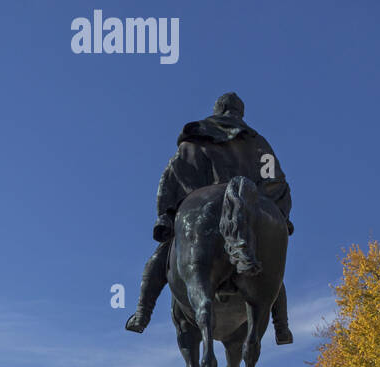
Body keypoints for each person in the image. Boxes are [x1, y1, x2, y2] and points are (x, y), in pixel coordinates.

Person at [125, 92, 294, 343]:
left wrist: (166, 217)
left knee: (161, 256)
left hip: (199, 217)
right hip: (251, 208)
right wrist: (279, 216)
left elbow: (172, 177)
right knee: (271, 270)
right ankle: (281, 325)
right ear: (240, 113)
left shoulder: (194, 140)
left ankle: (142, 312)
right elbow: (276, 182)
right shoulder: (260, 145)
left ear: (218, 109)